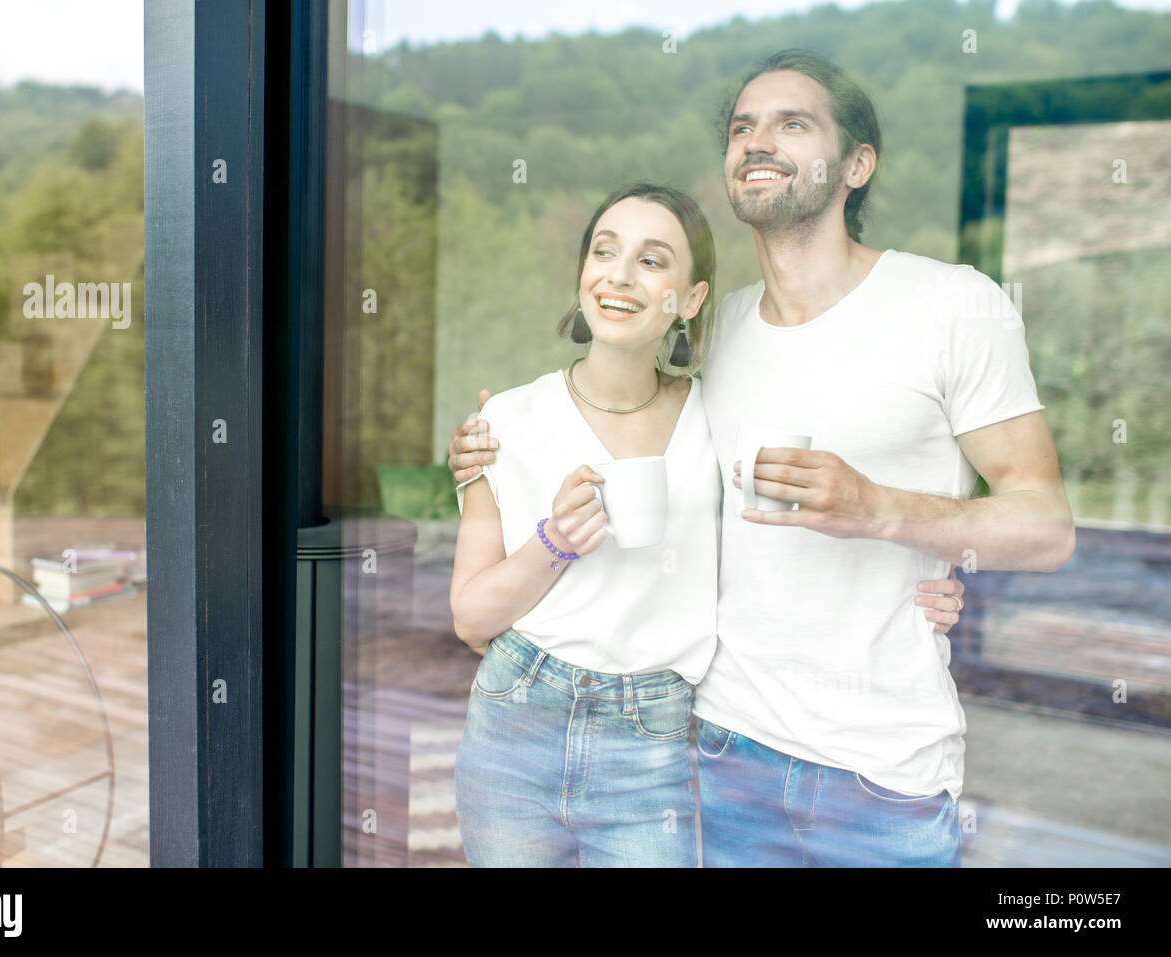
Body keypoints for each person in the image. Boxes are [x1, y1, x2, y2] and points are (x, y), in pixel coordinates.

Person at [448, 49, 1069, 868]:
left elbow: (1046, 527)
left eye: (792, 122)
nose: (758, 139)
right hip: (719, 755)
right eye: (743, 126)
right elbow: (617, 404)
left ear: (857, 163)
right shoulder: (721, 338)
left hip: (883, 775)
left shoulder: (952, 306)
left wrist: (889, 513)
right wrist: (489, 446)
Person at [449, 181, 966, 868]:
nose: (620, 274)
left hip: (652, 737)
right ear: (582, 277)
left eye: (653, 259)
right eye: (605, 251)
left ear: (689, 300)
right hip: (516, 716)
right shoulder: (506, 423)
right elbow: (471, 618)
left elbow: (798, 524)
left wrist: (922, 575)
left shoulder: (719, 414)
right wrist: (555, 542)